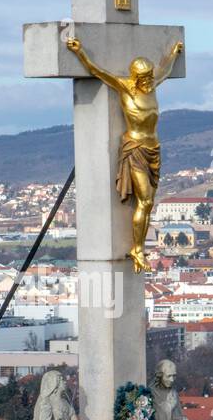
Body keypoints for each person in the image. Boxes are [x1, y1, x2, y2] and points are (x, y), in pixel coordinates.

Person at [64, 36, 183, 273]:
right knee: (146, 200)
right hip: (136, 150)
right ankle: (137, 249)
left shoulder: (154, 85)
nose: (149, 81)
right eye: (144, 78)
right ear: (135, 78)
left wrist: (175, 54)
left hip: (153, 150)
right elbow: (96, 71)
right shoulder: (124, 88)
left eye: (150, 77)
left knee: (148, 204)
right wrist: (80, 53)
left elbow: (166, 71)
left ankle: (139, 247)